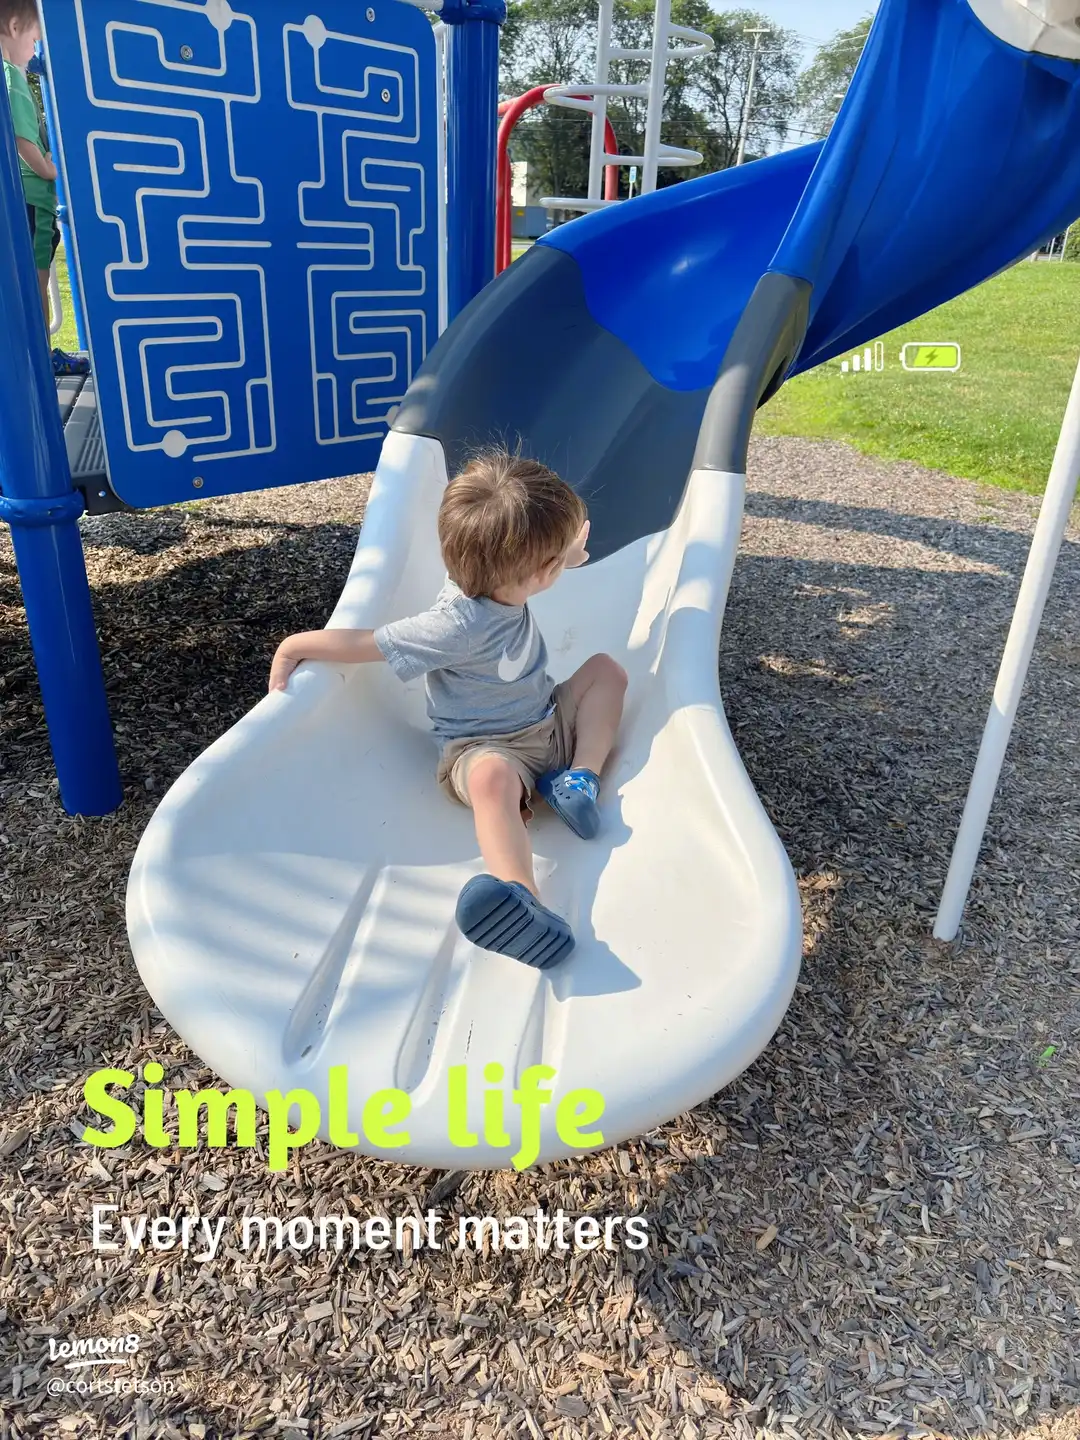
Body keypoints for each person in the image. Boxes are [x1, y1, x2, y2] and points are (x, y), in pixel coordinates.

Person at [268, 451, 628, 971]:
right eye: (561, 558)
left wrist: (566, 552)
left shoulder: (494, 567)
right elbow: (368, 642)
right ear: (542, 571)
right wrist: (295, 643)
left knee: (606, 672)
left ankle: (580, 780)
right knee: (491, 784)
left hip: (547, 718)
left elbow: (543, 557)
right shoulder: (452, 625)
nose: (569, 560)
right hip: (486, 747)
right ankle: (521, 897)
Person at [1, 0, 88, 376]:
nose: (35, 51)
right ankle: (40, 356)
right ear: (17, 27)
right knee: (38, 280)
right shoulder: (13, 77)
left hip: (26, 202)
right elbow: (22, 140)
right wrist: (50, 169)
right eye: (36, 39)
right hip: (34, 200)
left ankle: (35, 354)